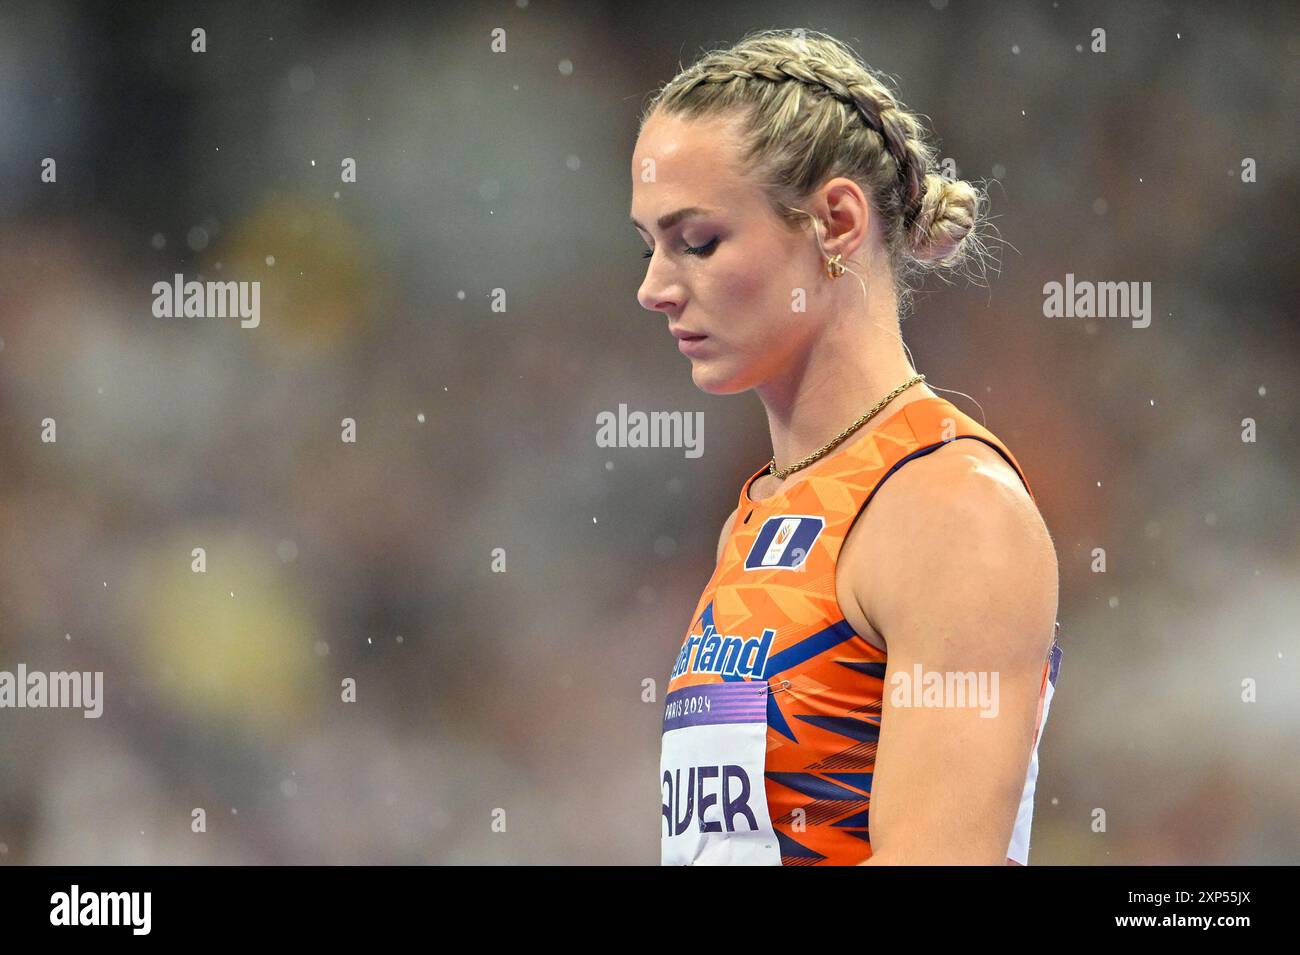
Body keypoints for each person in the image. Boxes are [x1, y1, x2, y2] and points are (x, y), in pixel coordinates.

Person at [635, 28, 1063, 865]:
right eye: (646, 244)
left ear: (835, 221)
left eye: (697, 241)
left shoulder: (953, 512)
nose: (652, 287)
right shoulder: (756, 519)